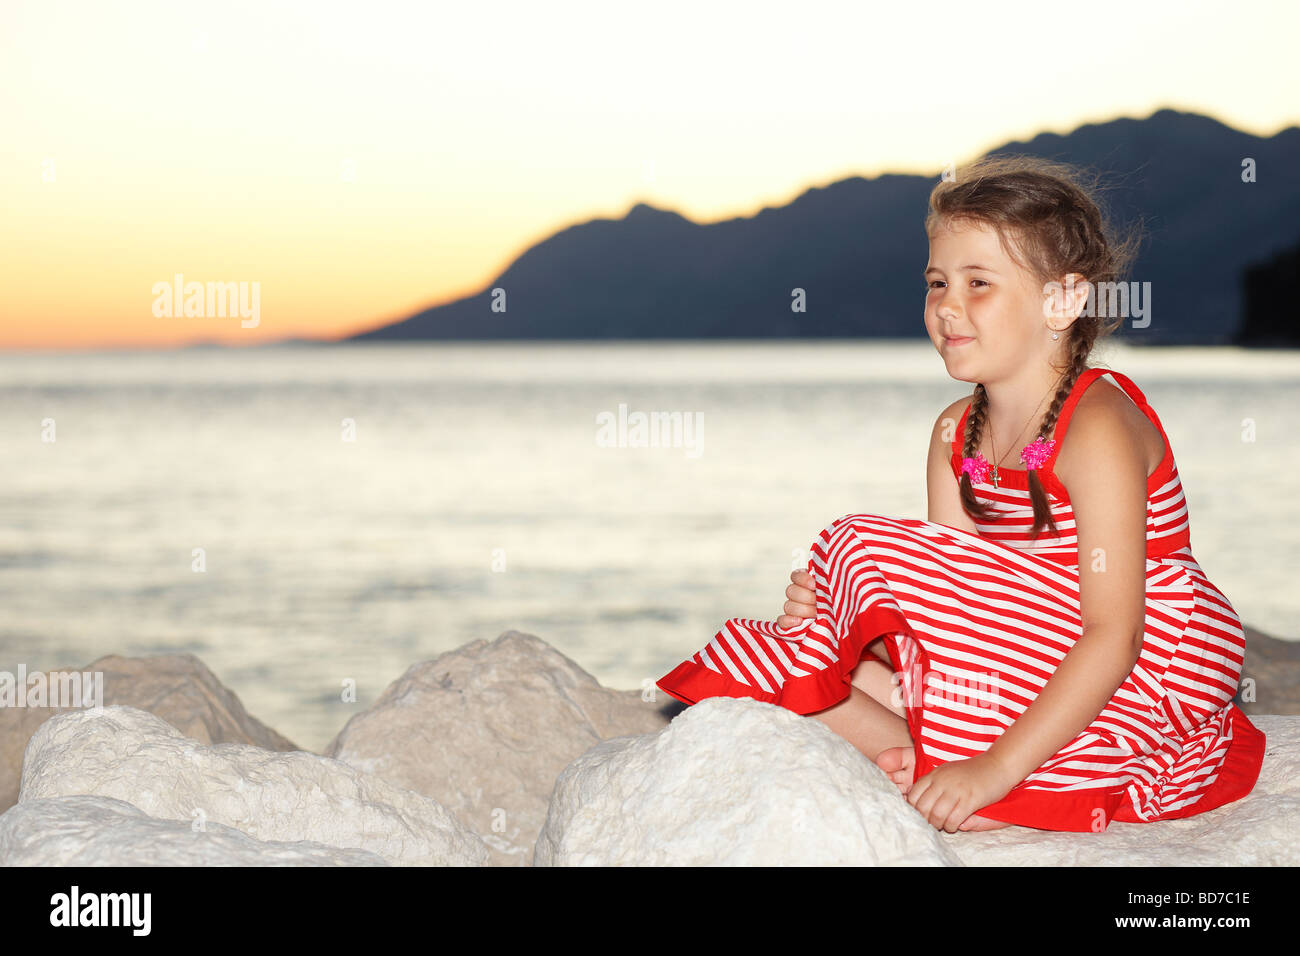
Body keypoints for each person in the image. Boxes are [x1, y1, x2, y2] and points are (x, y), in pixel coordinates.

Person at [654, 154, 1266, 835]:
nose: (948, 306)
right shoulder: (956, 434)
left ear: (1062, 300)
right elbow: (954, 608)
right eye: (937, 282)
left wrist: (991, 770)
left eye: (979, 283)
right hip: (1033, 645)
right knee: (795, 664)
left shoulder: (1095, 428)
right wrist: (833, 616)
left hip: (1142, 654)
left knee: (857, 545)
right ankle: (927, 754)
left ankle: (987, 776)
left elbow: (1113, 636)